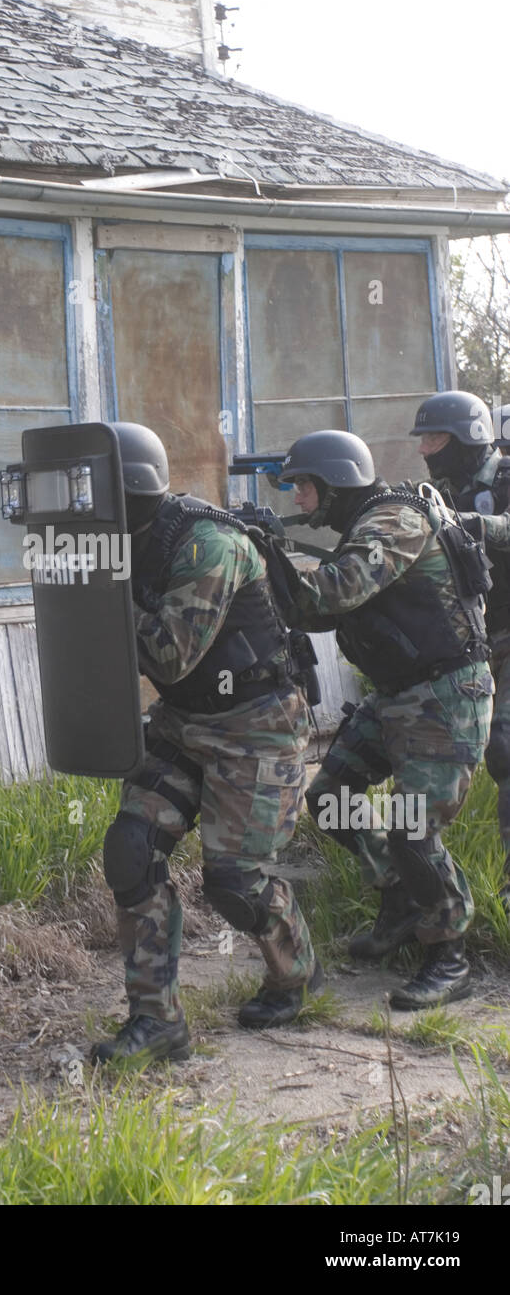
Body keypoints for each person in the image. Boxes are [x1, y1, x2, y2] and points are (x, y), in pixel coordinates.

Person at [90, 422, 322, 1066]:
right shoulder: (120, 541)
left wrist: (103, 598)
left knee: (234, 883)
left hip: (258, 726)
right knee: (131, 851)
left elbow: (168, 654)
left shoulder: (206, 545)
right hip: (186, 723)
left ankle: (295, 970)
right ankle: (157, 1023)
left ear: (127, 490)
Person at [279, 429, 493, 1009]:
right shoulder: (366, 524)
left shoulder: (392, 521)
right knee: (330, 798)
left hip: (445, 696)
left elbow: (331, 596)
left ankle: (450, 958)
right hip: (398, 695)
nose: (298, 499)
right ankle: (401, 900)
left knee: (412, 830)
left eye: (303, 485)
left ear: (335, 479)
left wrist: (263, 563)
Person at [411, 390, 510, 918]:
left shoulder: (505, 476)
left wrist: (475, 524)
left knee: (506, 750)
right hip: (467, 643)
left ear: (468, 436)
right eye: (423, 439)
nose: (425, 449)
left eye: (435, 438)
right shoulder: (439, 489)